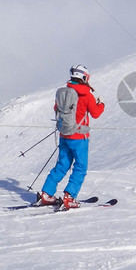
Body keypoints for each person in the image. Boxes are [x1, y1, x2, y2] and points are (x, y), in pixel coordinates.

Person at [35, 65, 105, 209]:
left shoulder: (63, 92)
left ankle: (46, 194)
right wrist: (101, 104)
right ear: (84, 77)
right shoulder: (87, 95)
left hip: (64, 134)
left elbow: (56, 109)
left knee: (62, 165)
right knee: (80, 167)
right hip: (80, 137)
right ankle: (69, 197)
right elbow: (96, 113)